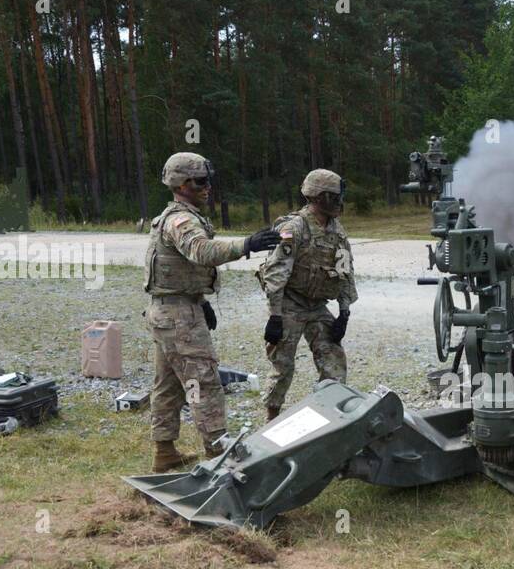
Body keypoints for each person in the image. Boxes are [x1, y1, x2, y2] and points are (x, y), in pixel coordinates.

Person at [145, 152, 278, 472]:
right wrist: (248, 244)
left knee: (169, 384)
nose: (208, 187)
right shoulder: (181, 220)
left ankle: (164, 452)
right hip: (178, 318)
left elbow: (178, 269)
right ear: (182, 184)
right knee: (204, 383)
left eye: (208, 180)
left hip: (170, 310)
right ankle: (219, 456)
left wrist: (201, 302)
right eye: (201, 181)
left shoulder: (176, 216)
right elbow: (202, 252)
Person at [257, 168, 357, 421]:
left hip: (317, 307)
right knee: (283, 366)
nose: (339, 202)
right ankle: (271, 418)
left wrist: (344, 313)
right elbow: (276, 274)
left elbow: (345, 272)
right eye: (334, 197)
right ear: (318, 197)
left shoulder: (337, 230)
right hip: (289, 304)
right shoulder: (295, 228)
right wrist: (275, 317)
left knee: (334, 361)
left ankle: (331, 418)